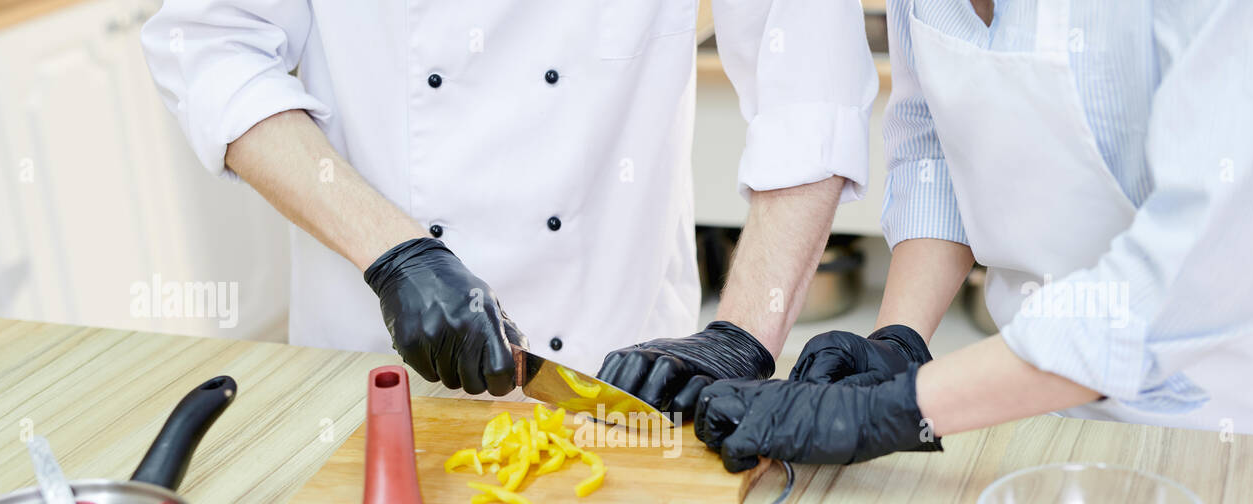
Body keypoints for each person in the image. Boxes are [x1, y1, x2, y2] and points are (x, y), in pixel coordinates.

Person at [141, 1, 877, 405]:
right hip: (376, 365)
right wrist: (396, 253)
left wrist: (741, 336)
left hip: (622, 364)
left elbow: (811, 84)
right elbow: (210, 46)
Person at [695, 0, 1253, 471]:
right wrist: (898, 343)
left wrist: (893, 410)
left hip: (1229, 438)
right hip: (1027, 413)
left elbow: (1190, 279)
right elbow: (937, 143)